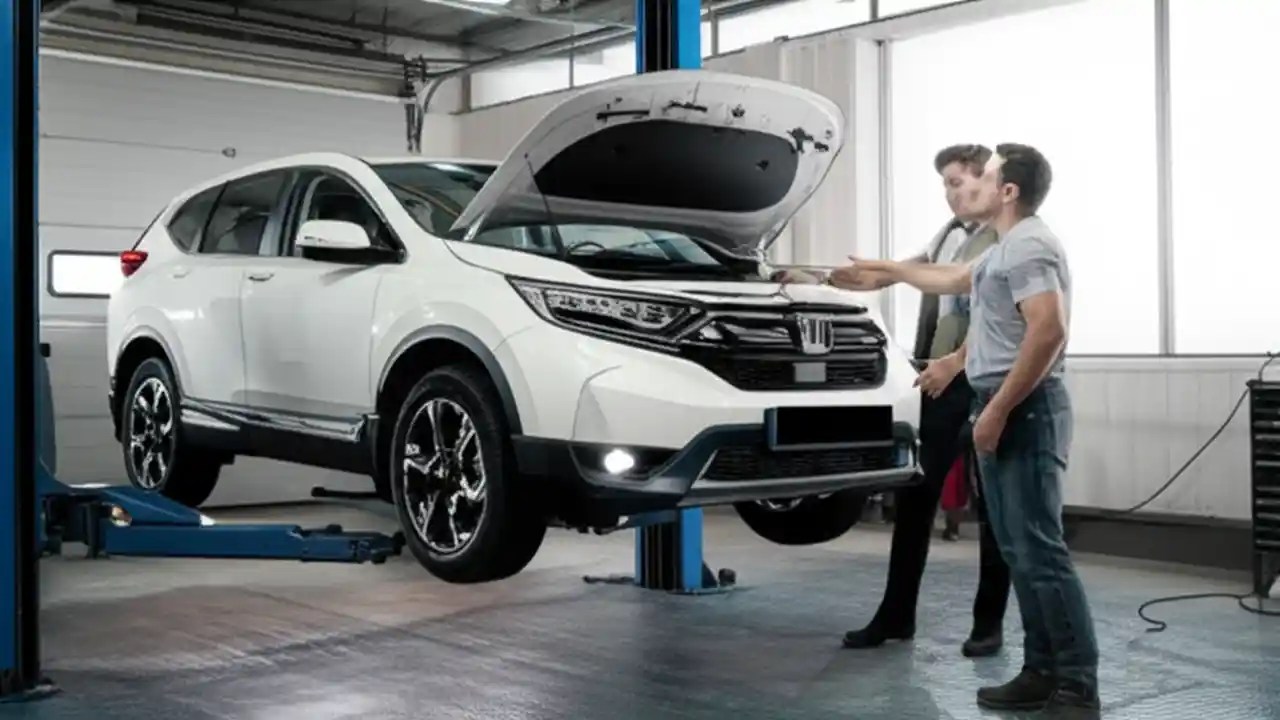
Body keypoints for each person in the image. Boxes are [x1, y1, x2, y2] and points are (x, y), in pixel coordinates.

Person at [845, 144, 1100, 714]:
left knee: (1040, 552)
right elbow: (955, 279)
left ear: (1007, 191)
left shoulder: (1029, 244)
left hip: (1026, 410)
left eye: (984, 177)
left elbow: (1048, 330)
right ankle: (1040, 672)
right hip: (1004, 404)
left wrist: (998, 410)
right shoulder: (1003, 249)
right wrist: (884, 273)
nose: (972, 185)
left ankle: (1077, 684)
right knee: (1019, 550)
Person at [826, 144, 1010, 659]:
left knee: (994, 508)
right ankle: (895, 614)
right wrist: (823, 279)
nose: (950, 194)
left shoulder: (1007, 237)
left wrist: (957, 361)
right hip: (938, 382)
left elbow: (1002, 316)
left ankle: (989, 624)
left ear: (987, 181)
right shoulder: (949, 234)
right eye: (945, 184)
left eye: (957, 183)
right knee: (916, 498)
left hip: (987, 384)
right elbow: (899, 272)